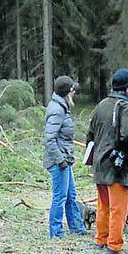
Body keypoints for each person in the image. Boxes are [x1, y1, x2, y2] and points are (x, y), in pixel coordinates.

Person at [85, 68, 128, 254]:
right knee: (119, 207)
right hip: (117, 166)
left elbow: (90, 135)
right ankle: (114, 245)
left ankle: (101, 239)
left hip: (100, 164)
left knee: (104, 204)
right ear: (127, 87)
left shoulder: (101, 105)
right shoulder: (124, 107)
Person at [43, 75, 87, 238]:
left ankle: (77, 227)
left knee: (71, 195)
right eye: (73, 89)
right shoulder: (57, 110)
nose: (75, 92)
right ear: (68, 92)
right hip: (58, 162)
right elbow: (49, 139)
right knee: (60, 197)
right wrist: (60, 160)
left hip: (65, 159)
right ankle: (56, 232)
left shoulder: (62, 107)